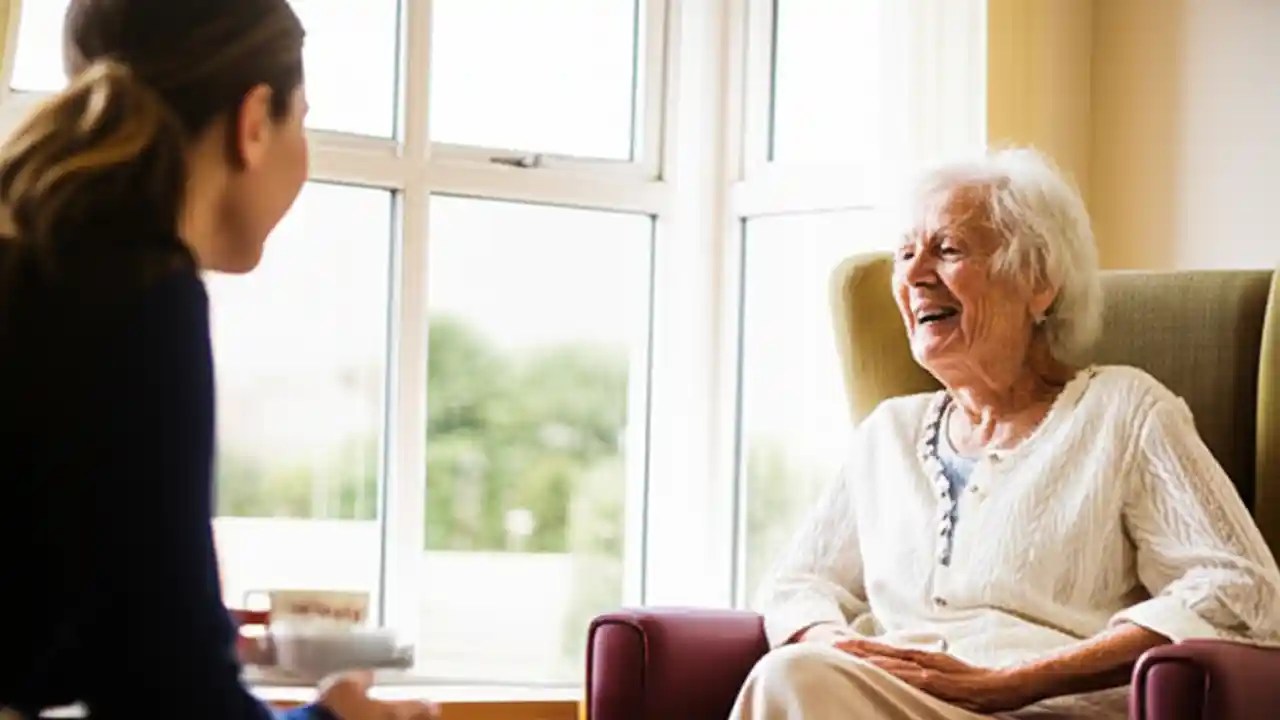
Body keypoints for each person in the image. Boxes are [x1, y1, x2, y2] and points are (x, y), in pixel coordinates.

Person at [730, 148, 1280, 719]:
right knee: (797, 674)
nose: (915, 276)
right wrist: (839, 649)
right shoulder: (887, 434)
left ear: (1038, 281)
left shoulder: (1123, 411)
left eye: (947, 249)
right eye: (905, 253)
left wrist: (1015, 682)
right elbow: (795, 584)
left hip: (1041, 710)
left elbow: (1241, 588)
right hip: (879, 700)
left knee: (793, 680)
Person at [0, 1, 436, 718]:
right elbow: (170, 694)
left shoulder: (45, 267)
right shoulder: (133, 296)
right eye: (303, 118)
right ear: (254, 120)